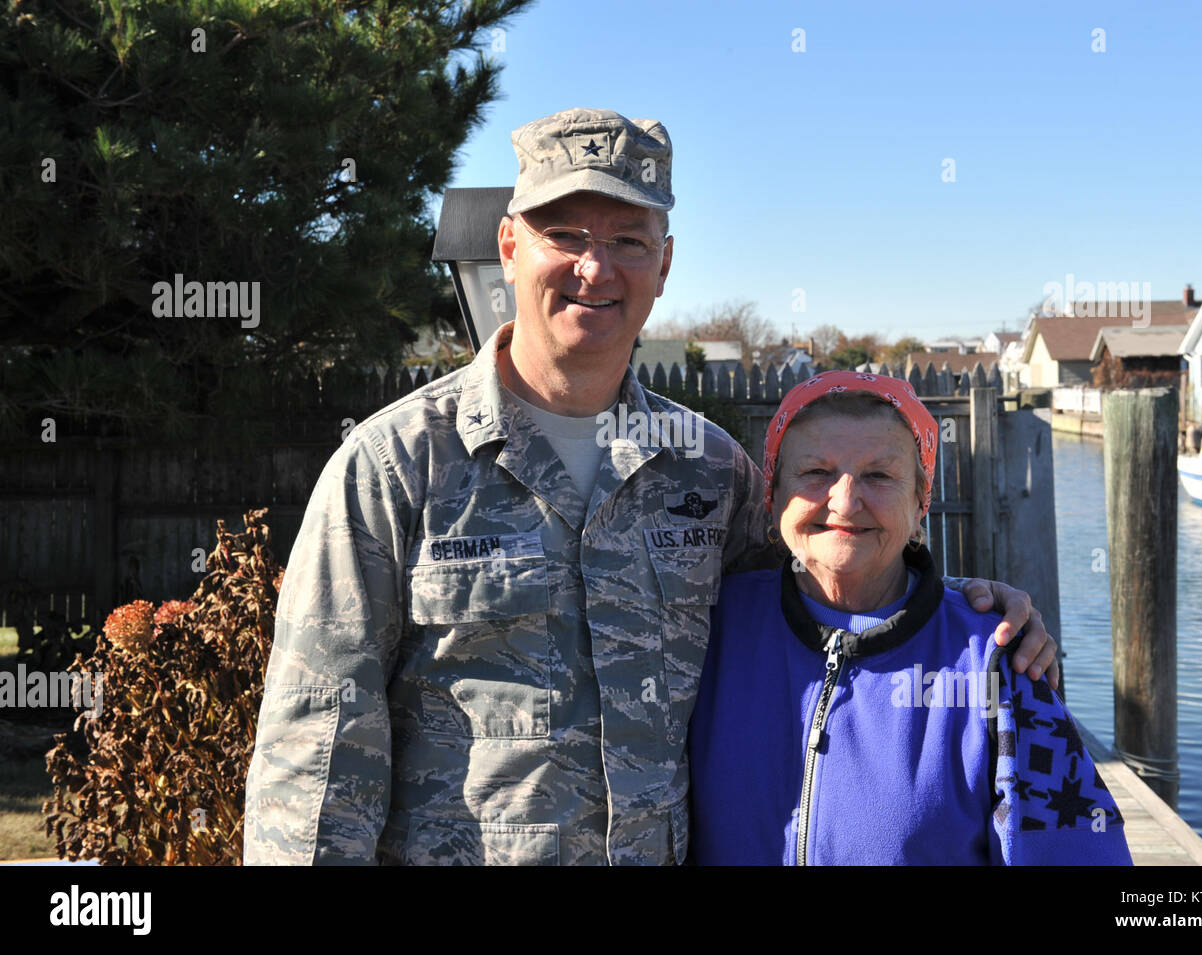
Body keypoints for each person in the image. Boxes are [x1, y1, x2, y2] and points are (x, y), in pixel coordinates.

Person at [243, 107, 1058, 866]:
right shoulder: (394, 466)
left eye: (629, 239)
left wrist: (965, 608)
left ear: (663, 263)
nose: (594, 267)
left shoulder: (706, 469)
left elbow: (827, 604)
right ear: (507, 248)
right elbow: (314, 759)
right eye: (562, 233)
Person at [688, 371, 1132, 865]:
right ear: (773, 494)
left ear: (921, 501)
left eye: (879, 475)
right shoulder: (703, 627)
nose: (845, 501)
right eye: (815, 472)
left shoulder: (998, 664)